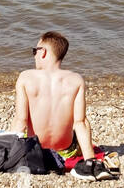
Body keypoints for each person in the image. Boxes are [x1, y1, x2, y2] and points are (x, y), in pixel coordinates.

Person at [10, 31, 112, 179]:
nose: (34, 56)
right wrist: (90, 159)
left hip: (37, 147)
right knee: (82, 123)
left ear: (43, 52)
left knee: (15, 123)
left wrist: (11, 153)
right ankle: (89, 165)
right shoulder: (76, 80)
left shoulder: (26, 77)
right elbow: (80, 122)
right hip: (66, 150)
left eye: (35, 51)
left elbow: (21, 121)